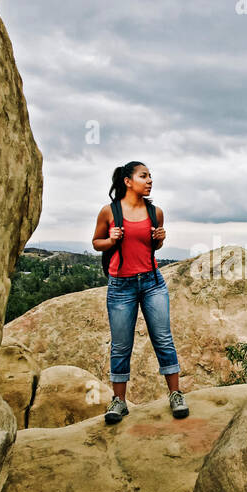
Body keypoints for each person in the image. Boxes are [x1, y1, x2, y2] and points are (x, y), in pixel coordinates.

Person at [90, 161, 189, 423]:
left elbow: (153, 247)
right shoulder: (109, 212)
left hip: (152, 282)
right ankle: (119, 402)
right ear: (127, 181)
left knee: (163, 339)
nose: (149, 180)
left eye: (150, 176)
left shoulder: (155, 212)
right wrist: (110, 240)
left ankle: (176, 394)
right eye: (143, 176)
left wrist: (159, 238)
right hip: (121, 286)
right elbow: (96, 243)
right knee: (121, 345)